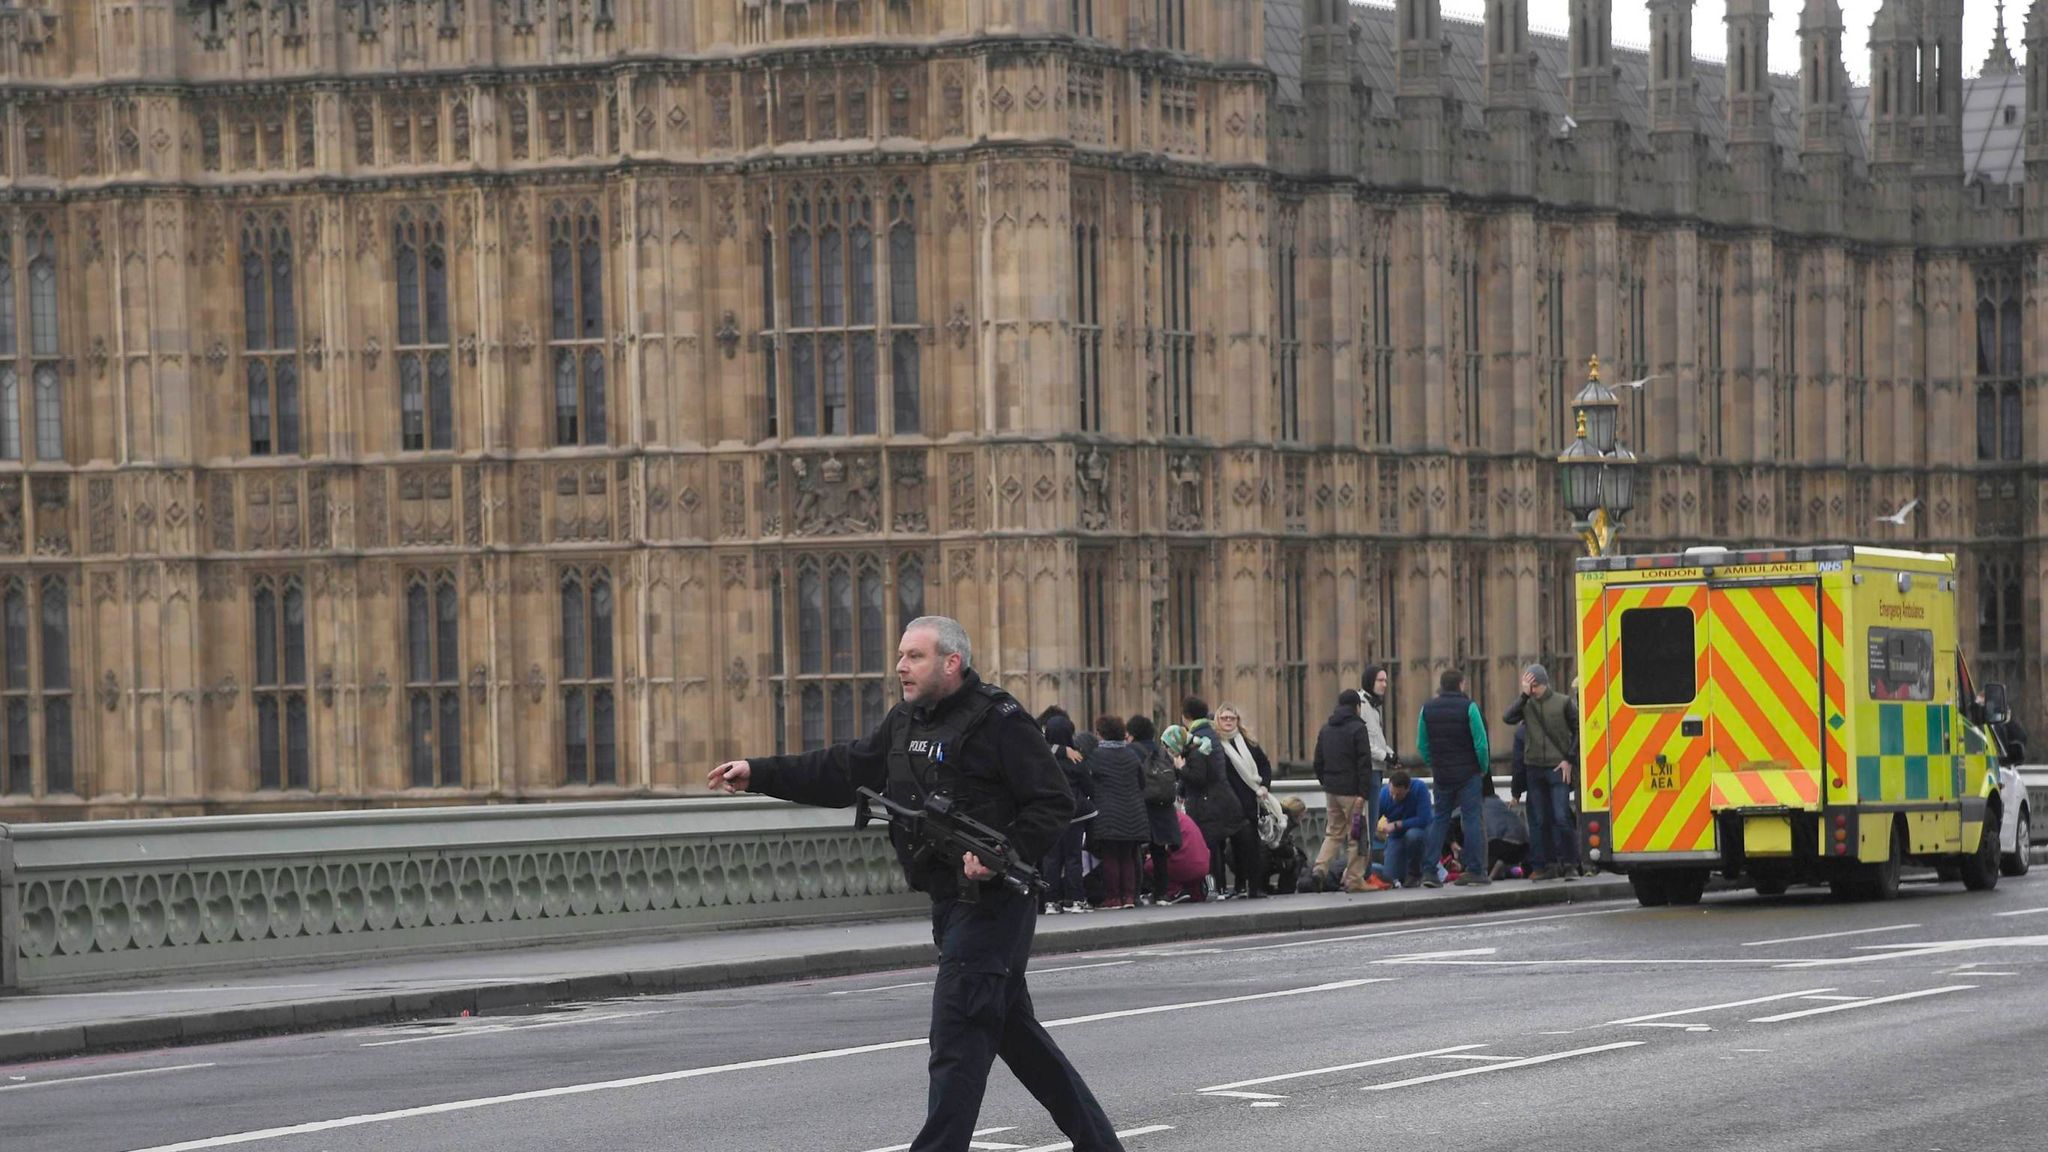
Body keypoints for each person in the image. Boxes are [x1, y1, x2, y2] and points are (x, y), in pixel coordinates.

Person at [708, 616, 1126, 1152]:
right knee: (1014, 1035)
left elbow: (1053, 802)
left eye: (914, 656)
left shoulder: (1001, 721)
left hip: (995, 905)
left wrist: (1003, 854)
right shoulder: (905, 722)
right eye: (901, 655)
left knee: (957, 1036)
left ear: (951, 662)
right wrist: (760, 773)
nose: (900, 666)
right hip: (949, 901)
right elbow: (844, 769)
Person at [1177, 698, 1263, 899]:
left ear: (1185, 716)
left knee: (1209, 847)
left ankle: (1214, 888)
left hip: (1208, 802)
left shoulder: (1198, 738)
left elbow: (1199, 775)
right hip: (1225, 799)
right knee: (1228, 845)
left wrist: (1181, 769)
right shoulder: (1212, 736)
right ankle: (1235, 888)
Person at [1504, 663, 1580, 881]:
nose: (1531, 690)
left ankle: (1570, 864)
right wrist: (1523, 696)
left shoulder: (1564, 702)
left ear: (1542, 683)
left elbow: (1577, 730)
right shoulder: (1526, 704)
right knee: (1537, 820)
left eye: (1533, 686)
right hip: (1534, 767)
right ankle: (1542, 865)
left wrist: (1569, 760)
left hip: (1558, 767)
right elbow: (1507, 717)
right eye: (1528, 686)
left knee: (1561, 816)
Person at [1418, 667, 1491, 887]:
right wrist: (1483, 767)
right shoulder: (1470, 707)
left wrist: (1435, 763)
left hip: (1442, 774)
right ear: (1461, 684)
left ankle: (1430, 871)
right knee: (1471, 820)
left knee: (1439, 819)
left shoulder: (1426, 709)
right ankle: (1475, 870)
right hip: (1468, 773)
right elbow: (1481, 743)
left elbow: (1421, 745)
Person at [1311, 688, 1378, 892]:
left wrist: (1327, 783)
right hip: (1352, 793)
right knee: (1357, 835)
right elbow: (1364, 765)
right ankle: (1355, 880)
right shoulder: (1358, 729)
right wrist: (1363, 794)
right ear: (1357, 707)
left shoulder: (1326, 729)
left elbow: (1318, 762)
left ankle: (1320, 868)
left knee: (1333, 833)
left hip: (1332, 791)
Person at [1081, 715, 1151, 910]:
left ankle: (1113, 897)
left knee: (1111, 856)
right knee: (1128, 856)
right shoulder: (1131, 755)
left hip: (1108, 813)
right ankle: (1129, 896)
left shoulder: (1096, 756)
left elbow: (1089, 784)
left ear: (1102, 734)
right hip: (1134, 812)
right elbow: (1142, 782)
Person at [1213, 704, 1272, 898]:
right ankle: (1238, 886)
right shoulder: (1215, 744)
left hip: (1249, 802)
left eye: (1232, 718)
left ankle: (1253, 887)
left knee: (1252, 847)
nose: (1228, 721)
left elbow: (1264, 765)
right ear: (1218, 720)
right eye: (1224, 718)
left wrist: (1265, 786)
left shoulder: (1248, 742)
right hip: (1227, 803)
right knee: (1234, 847)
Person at [1038, 709, 1093, 912]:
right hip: (1074, 814)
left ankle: (1050, 900)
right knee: (1073, 857)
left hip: (1049, 814)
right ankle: (1076, 899)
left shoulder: (1043, 757)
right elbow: (1088, 786)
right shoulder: (1075, 758)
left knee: (1051, 859)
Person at [1126, 714, 1183, 906]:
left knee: (1135, 852)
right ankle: (1162, 893)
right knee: (1159, 852)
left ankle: (1135, 893)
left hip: (1141, 806)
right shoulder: (1161, 750)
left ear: (1132, 734)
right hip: (1162, 807)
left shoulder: (1131, 751)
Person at [1372, 768, 1433, 888]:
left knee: (1413, 836)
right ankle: (1402, 873)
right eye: (1392, 793)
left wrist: (1397, 824)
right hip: (1396, 837)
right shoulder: (1384, 795)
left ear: (1407, 789)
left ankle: (1415, 873)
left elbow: (1424, 819)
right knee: (1389, 876)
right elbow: (1373, 818)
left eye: (1398, 794)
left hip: (1418, 831)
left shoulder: (1419, 788)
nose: (1394, 797)